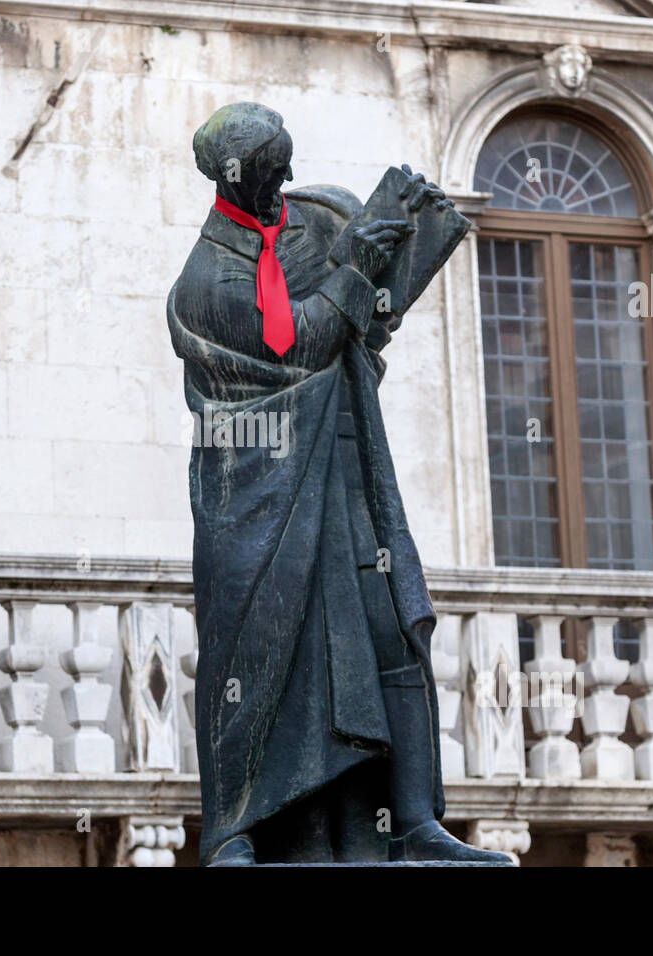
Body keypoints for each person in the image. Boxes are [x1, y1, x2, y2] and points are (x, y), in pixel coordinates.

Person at [168, 102, 512, 866]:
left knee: (393, 629)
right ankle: (237, 828)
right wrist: (356, 266)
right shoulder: (203, 284)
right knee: (259, 657)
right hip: (259, 501)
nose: (287, 176)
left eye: (288, 160)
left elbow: (362, 330)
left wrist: (389, 259)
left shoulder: (316, 220)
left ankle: (414, 820)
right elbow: (295, 351)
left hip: (350, 468)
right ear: (233, 177)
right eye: (271, 169)